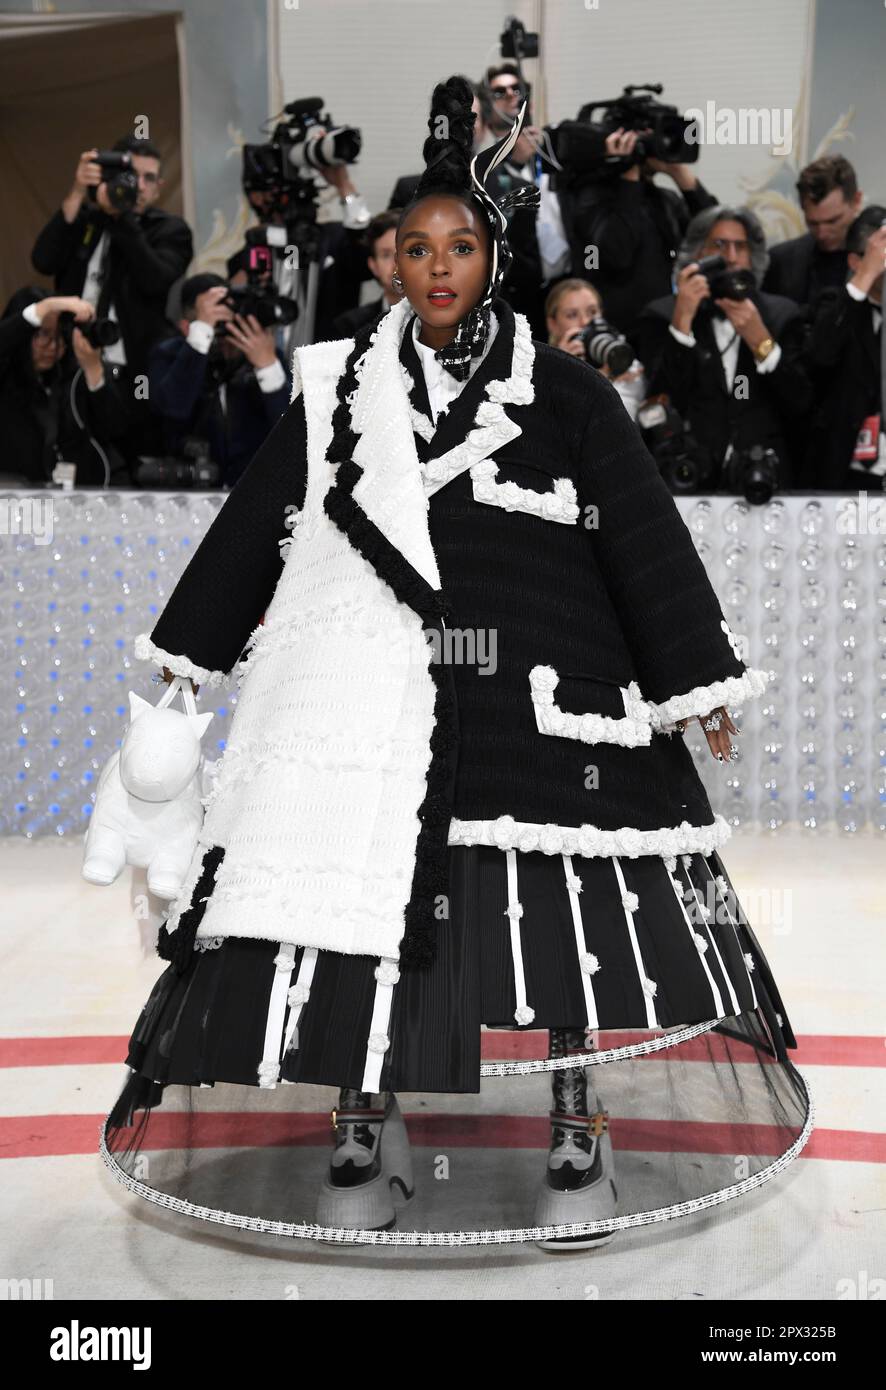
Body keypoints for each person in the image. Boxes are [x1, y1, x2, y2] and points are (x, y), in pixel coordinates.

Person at [101, 77, 811, 1251]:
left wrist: (694, 681)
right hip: (369, 694)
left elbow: (641, 537)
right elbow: (252, 533)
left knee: (562, 922)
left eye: (462, 246)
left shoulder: (568, 388)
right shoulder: (334, 391)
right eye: (414, 248)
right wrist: (186, 667)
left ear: (494, 257)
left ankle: (575, 1128)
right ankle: (358, 1122)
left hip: (545, 695)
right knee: (359, 902)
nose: (437, 268)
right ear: (387, 260)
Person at [635, 205, 812, 489]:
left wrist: (761, 340)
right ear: (697, 254)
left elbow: (800, 404)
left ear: (752, 257)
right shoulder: (662, 314)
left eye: (740, 247)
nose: (730, 258)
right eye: (719, 245)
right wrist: (682, 322)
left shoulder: (782, 314)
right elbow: (659, 405)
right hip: (689, 476)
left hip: (765, 477)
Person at [30, 136, 193, 383]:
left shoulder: (170, 230)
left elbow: (155, 281)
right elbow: (43, 262)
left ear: (159, 188)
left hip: (134, 372)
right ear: (108, 176)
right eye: (130, 174)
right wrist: (77, 192)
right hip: (69, 362)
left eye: (148, 178)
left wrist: (121, 215)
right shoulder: (87, 219)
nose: (138, 185)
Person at [147, 272, 291, 488]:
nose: (226, 332)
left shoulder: (264, 354)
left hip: (252, 491)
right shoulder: (168, 355)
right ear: (186, 327)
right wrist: (200, 338)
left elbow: (292, 436)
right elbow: (172, 411)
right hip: (188, 491)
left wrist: (267, 366)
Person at [0, 288, 130, 485]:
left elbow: (116, 428)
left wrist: (93, 370)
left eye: (60, 336)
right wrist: (47, 307)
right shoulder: (6, 375)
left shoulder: (73, 376)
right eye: (43, 335)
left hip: (76, 500)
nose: (53, 346)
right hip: (17, 501)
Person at [804, 205, 886, 489]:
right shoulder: (834, 305)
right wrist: (865, 277)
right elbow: (818, 357)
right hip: (846, 473)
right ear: (855, 261)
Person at [762, 156, 863, 318]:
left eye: (833, 221)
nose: (822, 233)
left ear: (856, 201)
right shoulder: (781, 261)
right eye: (813, 223)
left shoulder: (877, 259)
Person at [545, 277, 647, 420]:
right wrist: (565, 370)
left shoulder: (618, 355)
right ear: (553, 324)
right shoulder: (538, 372)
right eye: (572, 315)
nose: (585, 321)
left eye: (592, 312)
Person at [328, 210, 402, 338]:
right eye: (386, 255)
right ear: (373, 266)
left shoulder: (443, 322)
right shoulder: (349, 326)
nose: (396, 263)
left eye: (403, 252)